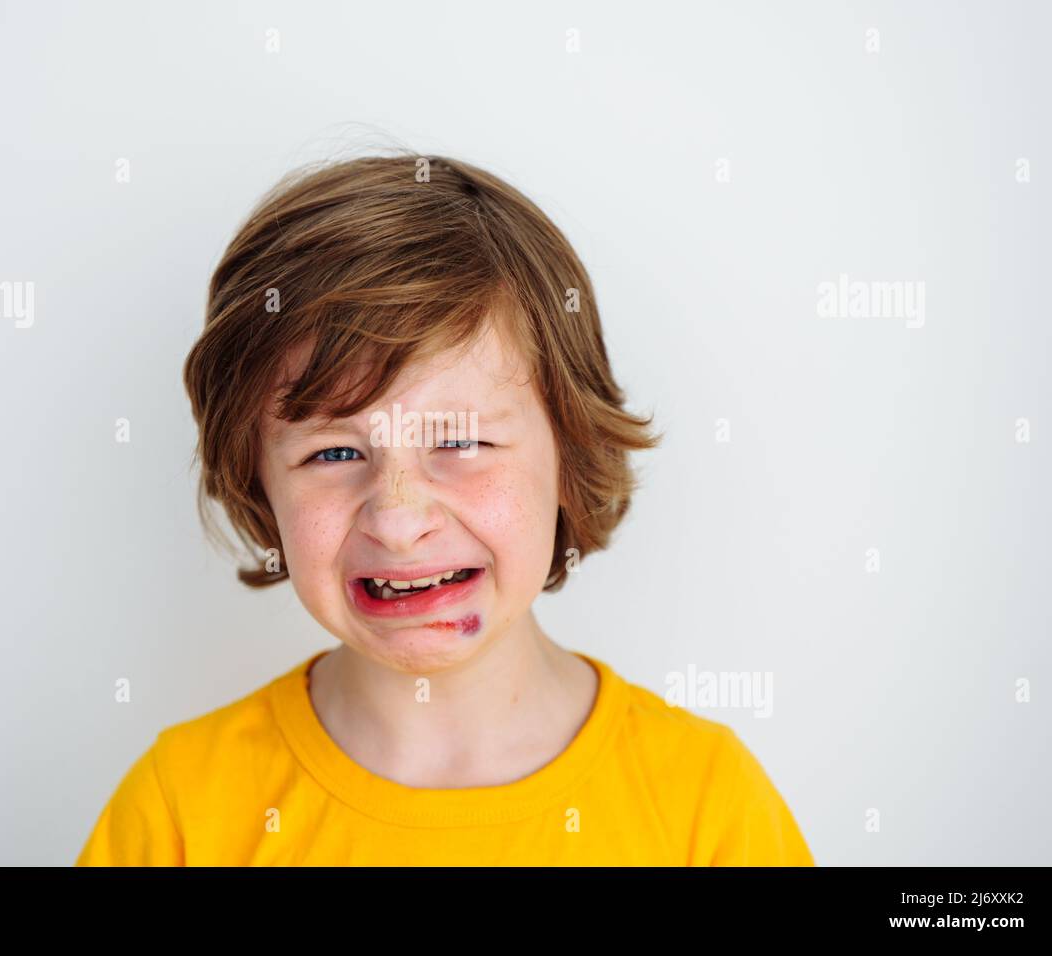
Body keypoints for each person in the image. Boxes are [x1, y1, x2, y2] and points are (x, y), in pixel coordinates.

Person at [75, 153, 813, 865]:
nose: (397, 521)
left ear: (570, 452)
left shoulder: (706, 806)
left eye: (459, 441)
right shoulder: (180, 811)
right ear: (257, 485)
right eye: (333, 454)